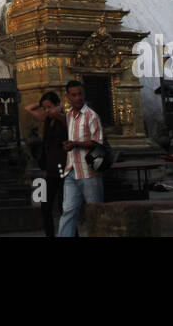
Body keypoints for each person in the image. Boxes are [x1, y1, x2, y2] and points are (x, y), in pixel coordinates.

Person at [57, 80, 103, 237]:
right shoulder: (69, 116)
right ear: (68, 97)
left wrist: (76, 144)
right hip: (71, 170)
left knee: (94, 211)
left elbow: (97, 142)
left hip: (89, 171)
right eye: (74, 95)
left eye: (80, 94)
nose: (78, 98)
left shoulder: (91, 116)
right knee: (68, 210)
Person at [25, 90, 68, 238]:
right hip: (51, 169)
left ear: (57, 105)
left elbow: (64, 119)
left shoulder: (64, 119)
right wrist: (42, 102)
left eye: (49, 107)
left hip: (63, 167)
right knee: (45, 206)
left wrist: (59, 108)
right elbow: (28, 109)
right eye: (45, 108)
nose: (47, 110)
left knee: (65, 206)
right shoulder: (47, 119)